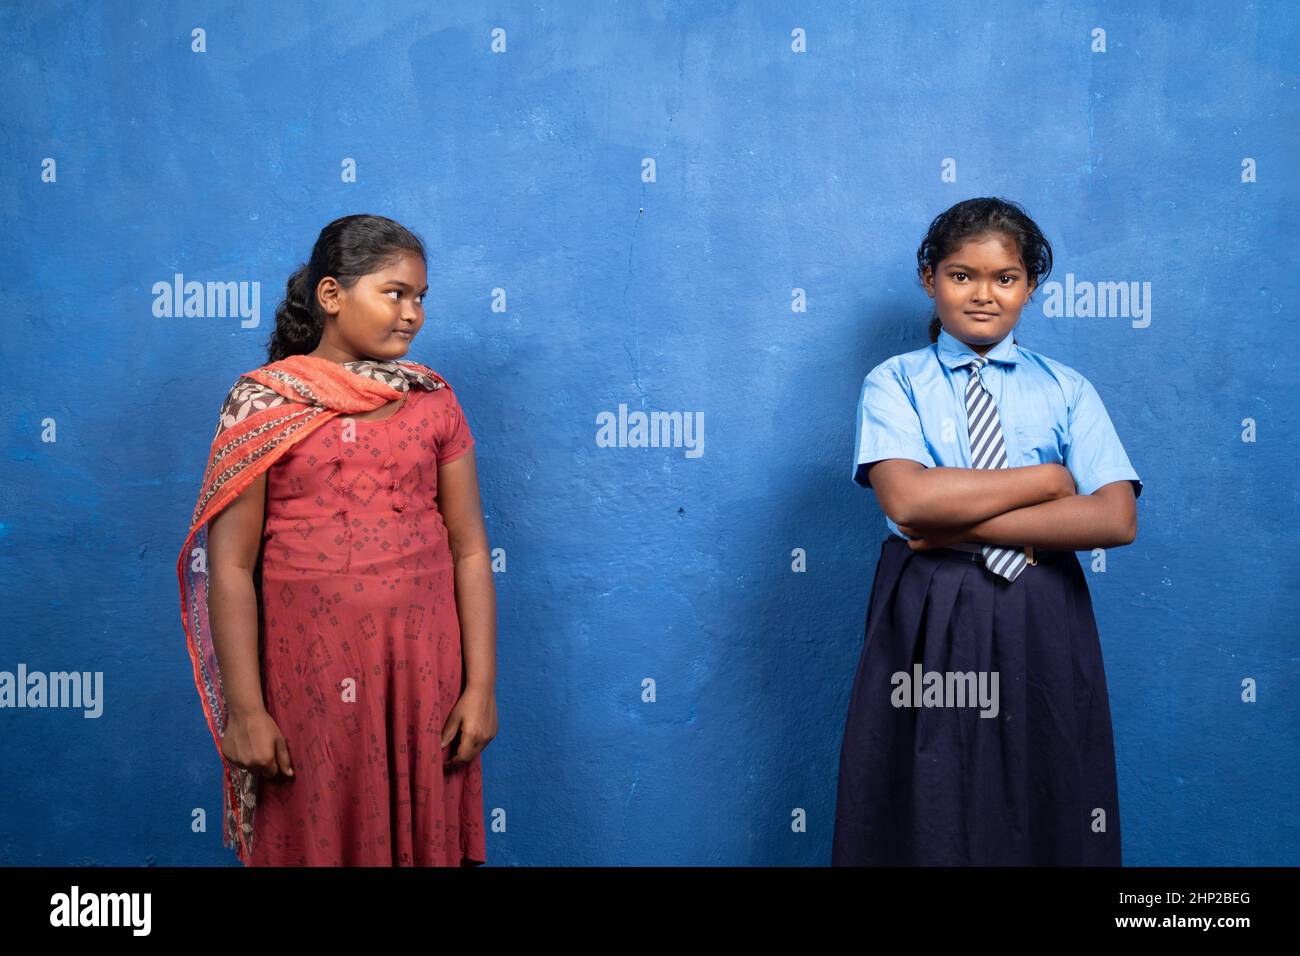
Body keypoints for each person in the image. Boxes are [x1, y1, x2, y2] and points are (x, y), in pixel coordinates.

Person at [177, 214, 497, 866]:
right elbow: (230, 565)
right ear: (331, 295)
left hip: (424, 678)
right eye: (395, 292)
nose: (412, 313)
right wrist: (246, 710)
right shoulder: (265, 404)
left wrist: (481, 688)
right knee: (318, 830)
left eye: (421, 298)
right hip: (310, 682)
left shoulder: (434, 400)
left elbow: (469, 549)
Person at [832, 197, 1142, 866]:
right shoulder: (895, 383)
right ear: (929, 278)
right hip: (927, 607)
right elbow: (909, 501)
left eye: (1005, 278)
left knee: (1047, 777)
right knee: (929, 783)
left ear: (1030, 285)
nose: (983, 295)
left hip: (1039, 605)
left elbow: (1114, 517)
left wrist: (953, 525)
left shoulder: (1067, 389)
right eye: (961, 275)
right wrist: (1051, 479)